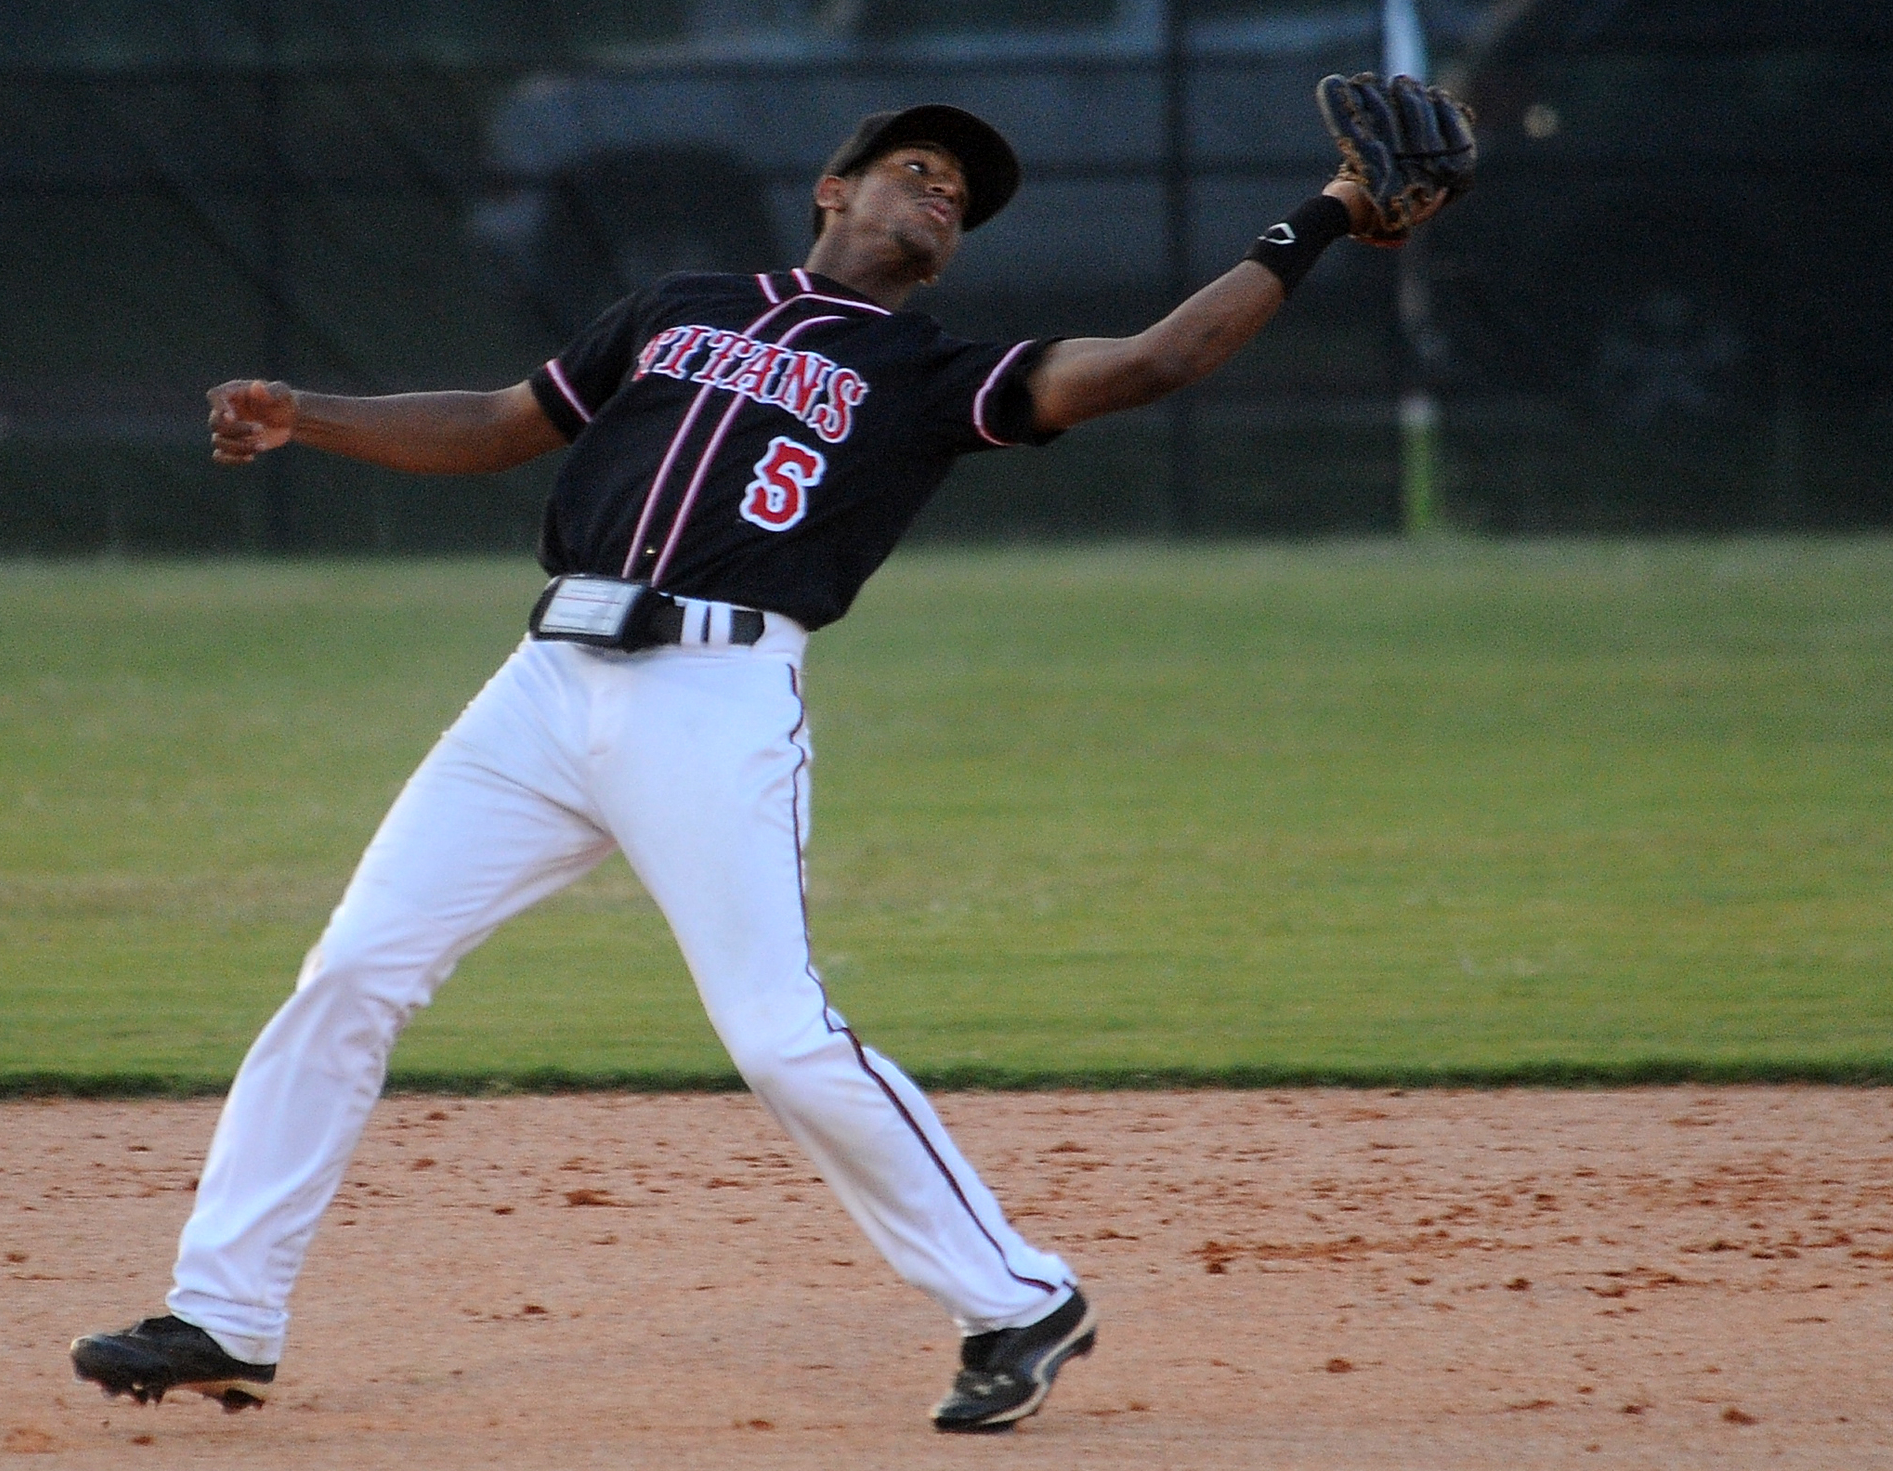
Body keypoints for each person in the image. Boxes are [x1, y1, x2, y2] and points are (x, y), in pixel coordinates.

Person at [70, 102, 1439, 1434]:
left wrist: (1316, 215)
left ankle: (1022, 1301)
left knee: (780, 1037)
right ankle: (225, 1315)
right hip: (540, 691)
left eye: (961, 198)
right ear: (833, 191)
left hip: (715, 701)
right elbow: (497, 422)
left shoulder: (929, 374)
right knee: (352, 973)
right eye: (917, 169)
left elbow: (1150, 360)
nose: (943, 195)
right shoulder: (681, 306)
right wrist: (304, 413)